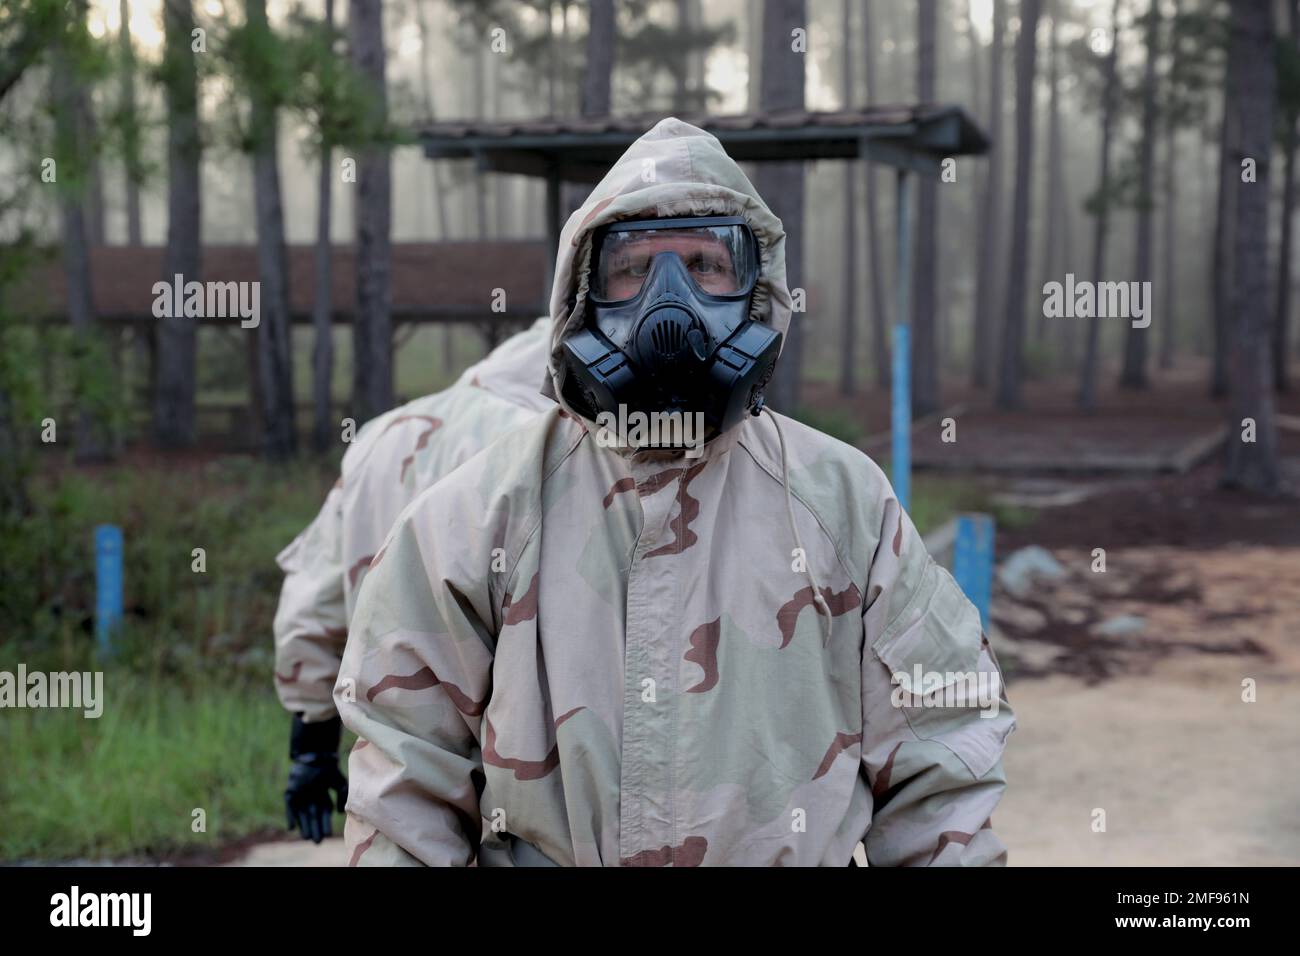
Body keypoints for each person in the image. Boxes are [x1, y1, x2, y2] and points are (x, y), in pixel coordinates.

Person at [336, 118, 1015, 866]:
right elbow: (404, 788)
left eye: (704, 264)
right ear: (582, 298)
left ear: (757, 296)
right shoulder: (479, 515)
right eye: (633, 270)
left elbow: (940, 766)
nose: (671, 307)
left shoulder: (842, 503)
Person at [273, 318, 552, 843]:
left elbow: (311, 607)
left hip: (395, 756)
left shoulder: (382, 436)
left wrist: (309, 746)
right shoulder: (549, 446)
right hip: (515, 768)